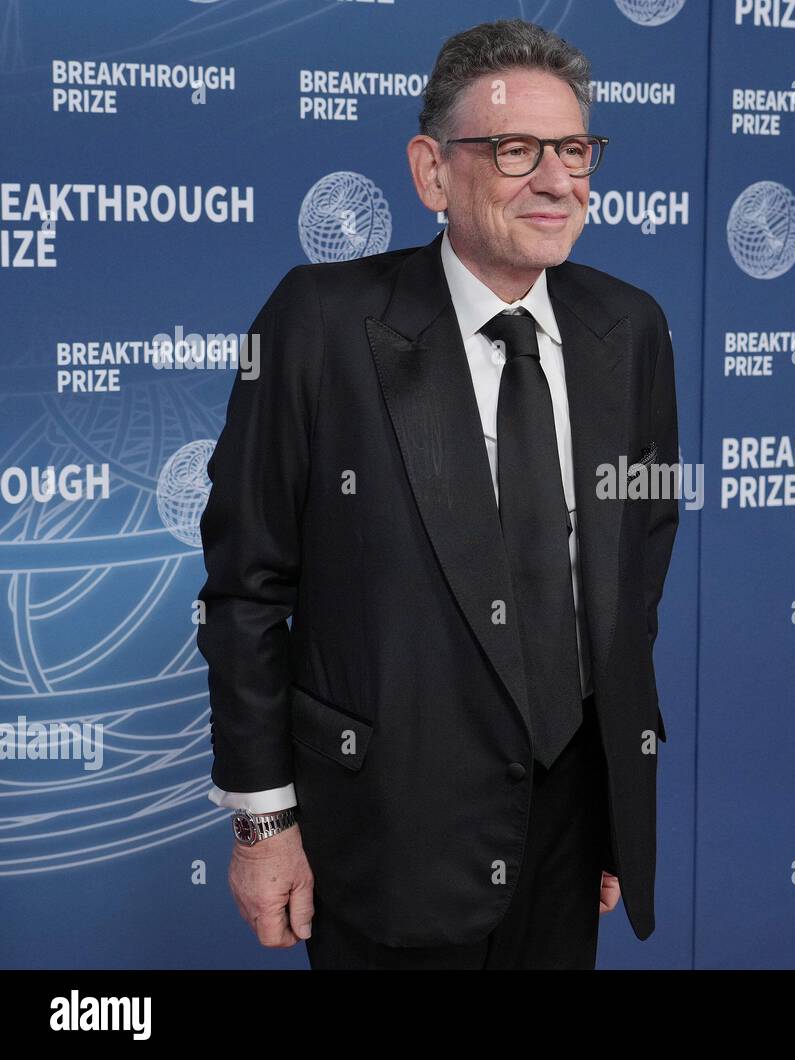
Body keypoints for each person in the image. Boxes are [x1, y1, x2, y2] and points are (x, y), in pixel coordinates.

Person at [196, 18, 680, 970]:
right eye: (514, 150)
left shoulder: (631, 327)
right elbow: (247, 590)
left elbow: (635, 575)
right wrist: (263, 826)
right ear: (431, 173)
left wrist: (616, 791)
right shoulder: (321, 324)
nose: (557, 180)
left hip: (569, 829)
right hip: (384, 836)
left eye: (576, 149)